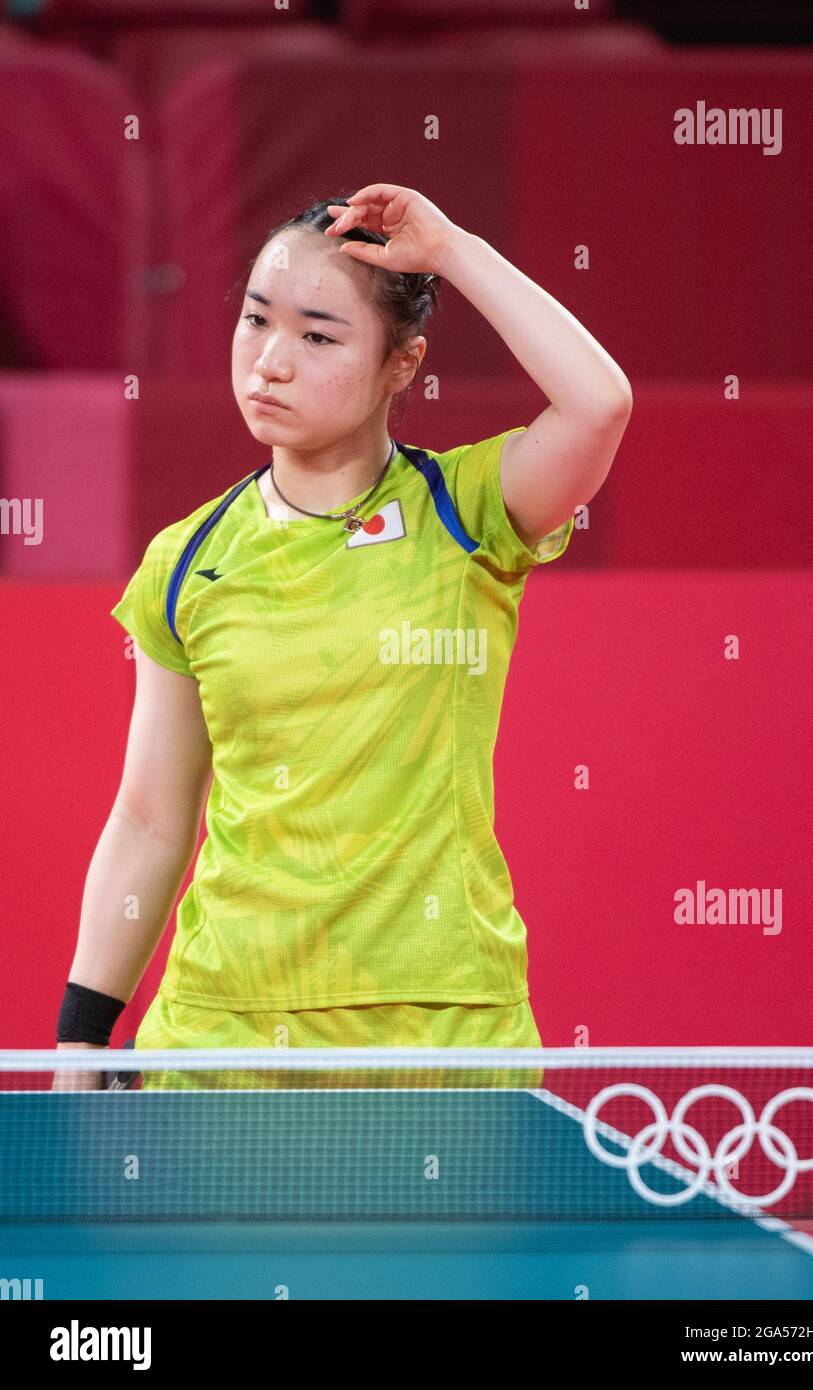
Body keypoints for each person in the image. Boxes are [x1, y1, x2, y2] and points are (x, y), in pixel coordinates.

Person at [54, 183, 632, 1092]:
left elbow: (599, 405)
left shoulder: (469, 512)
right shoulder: (189, 557)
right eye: (255, 321)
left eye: (318, 336)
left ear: (403, 365)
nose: (269, 363)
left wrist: (451, 248)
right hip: (223, 1038)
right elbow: (151, 817)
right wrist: (82, 1038)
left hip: (441, 1034)